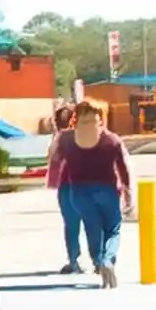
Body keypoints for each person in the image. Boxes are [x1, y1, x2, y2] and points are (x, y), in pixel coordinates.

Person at [46, 100, 133, 288]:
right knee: (113, 229)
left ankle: (98, 262)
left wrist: (53, 182)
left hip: (78, 192)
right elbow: (124, 170)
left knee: (92, 227)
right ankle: (108, 259)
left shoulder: (66, 139)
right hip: (106, 190)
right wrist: (128, 197)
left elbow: (55, 159)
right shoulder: (112, 140)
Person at [46, 103, 94, 274]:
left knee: (71, 225)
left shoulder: (60, 139)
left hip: (67, 187)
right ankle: (99, 260)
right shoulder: (87, 136)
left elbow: (53, 157)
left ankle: (74, 261)